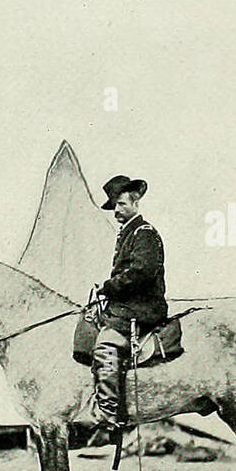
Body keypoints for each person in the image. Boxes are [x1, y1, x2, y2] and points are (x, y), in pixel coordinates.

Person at [92, 175, 167, 431]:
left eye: (122, 204)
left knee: (105, 345)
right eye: (114, 205)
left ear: (136, 203)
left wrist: (109, 287)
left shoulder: (143, 233)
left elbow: (141, 273)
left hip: (141, 308)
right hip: (128, 306)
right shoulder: (129, 233)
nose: (116, 210)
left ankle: (109, 413)